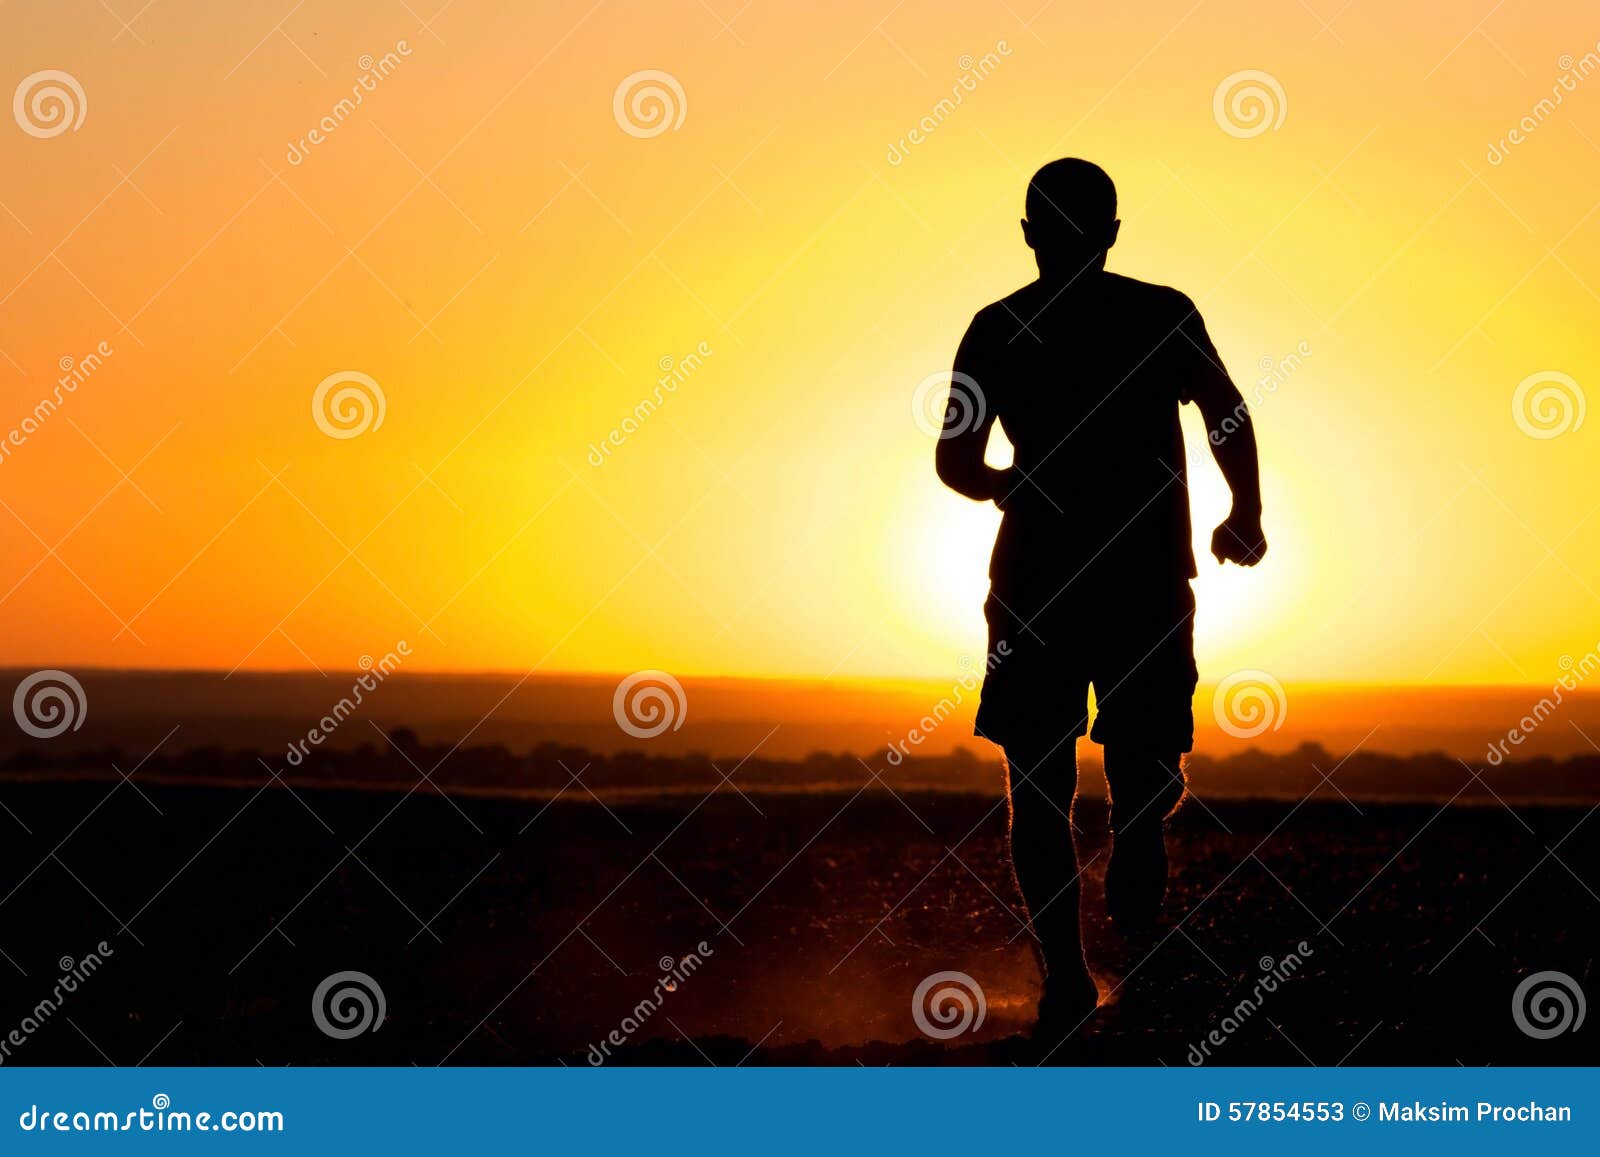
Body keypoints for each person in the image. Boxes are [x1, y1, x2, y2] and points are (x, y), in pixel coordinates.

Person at [934, 158, 1266, 1031]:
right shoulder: (1158, 312)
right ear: (1109, 231)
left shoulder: (1001, 326)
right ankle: (1094, 927)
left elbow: (954, 462)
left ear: (1030, 232)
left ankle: (1085, 945)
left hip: (1060, 578)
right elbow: (1226, 409)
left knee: (1045, 785)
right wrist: (1246, 508)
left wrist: (1003, 481)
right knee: (1094, 769)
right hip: (1130, 577)